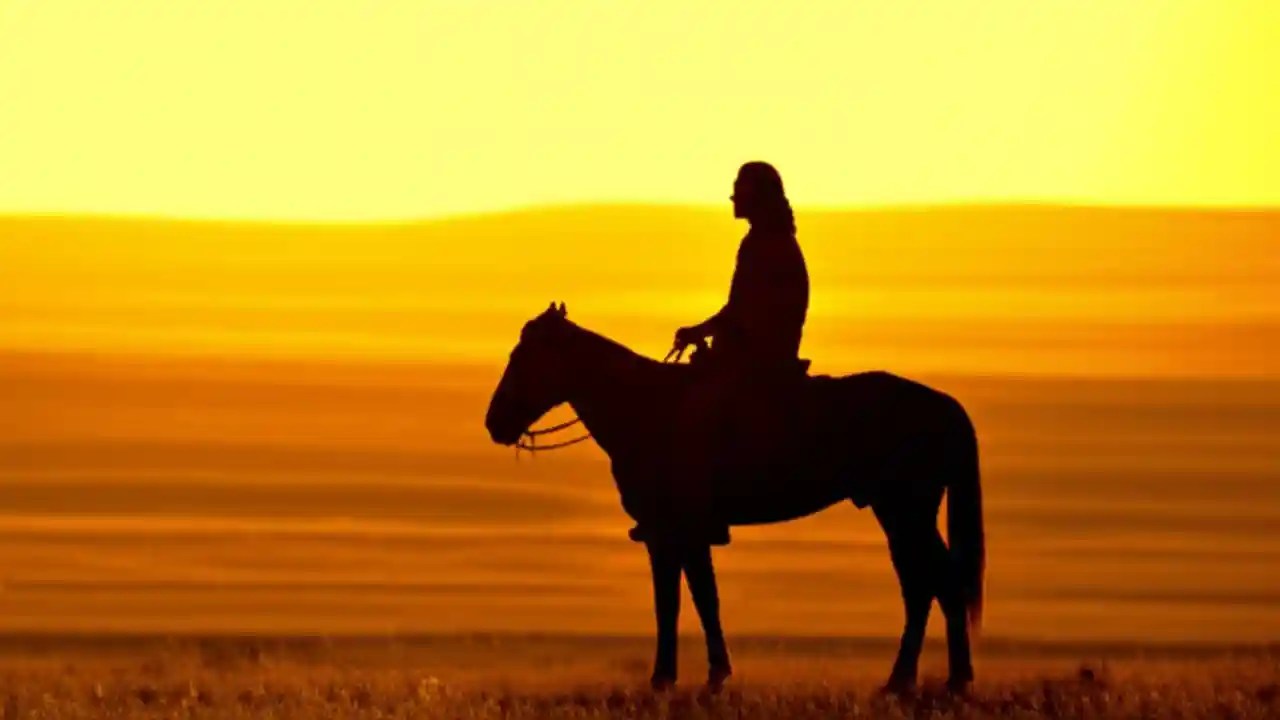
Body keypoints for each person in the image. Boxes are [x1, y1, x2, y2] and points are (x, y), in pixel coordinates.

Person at [632, 161, 810, 546]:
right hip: (752, 349)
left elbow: (754, 314)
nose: (733, 196)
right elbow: (737, 308)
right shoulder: (759, 241)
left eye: (739, 189)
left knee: (700, 411)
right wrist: (703, 332)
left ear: (756, 196)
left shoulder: (769, 245)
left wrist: (720, 343)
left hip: (764, 356)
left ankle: (702, 511)